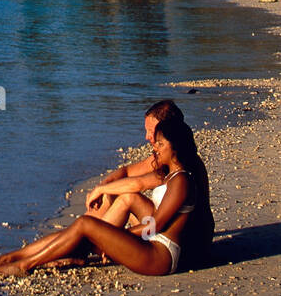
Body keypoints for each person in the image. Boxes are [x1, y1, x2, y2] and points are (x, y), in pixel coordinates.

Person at [0, 117, 201, 276]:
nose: (155, 149)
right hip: (153, 247)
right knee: (82, 230)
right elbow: (135, 183)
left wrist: (117, 236)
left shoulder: (181, 180)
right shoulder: (172, 175)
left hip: (159, 257)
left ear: (176, 147)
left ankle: (25, 265)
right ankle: (19, 257)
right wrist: (112, 235)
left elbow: (157, 225)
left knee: (86, 224)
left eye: (161, 144)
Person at [88, 99, 214, 253]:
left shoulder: (179, 163)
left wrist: (100, 190)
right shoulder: (173, 155)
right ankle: (88, 239)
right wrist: (104, 185)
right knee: (113, 191)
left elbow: (139, 184)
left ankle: (89, 243)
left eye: (151, 130)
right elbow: (127, 171)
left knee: (125, 196)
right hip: (178, 231)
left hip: (191, 241)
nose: (147, 136)